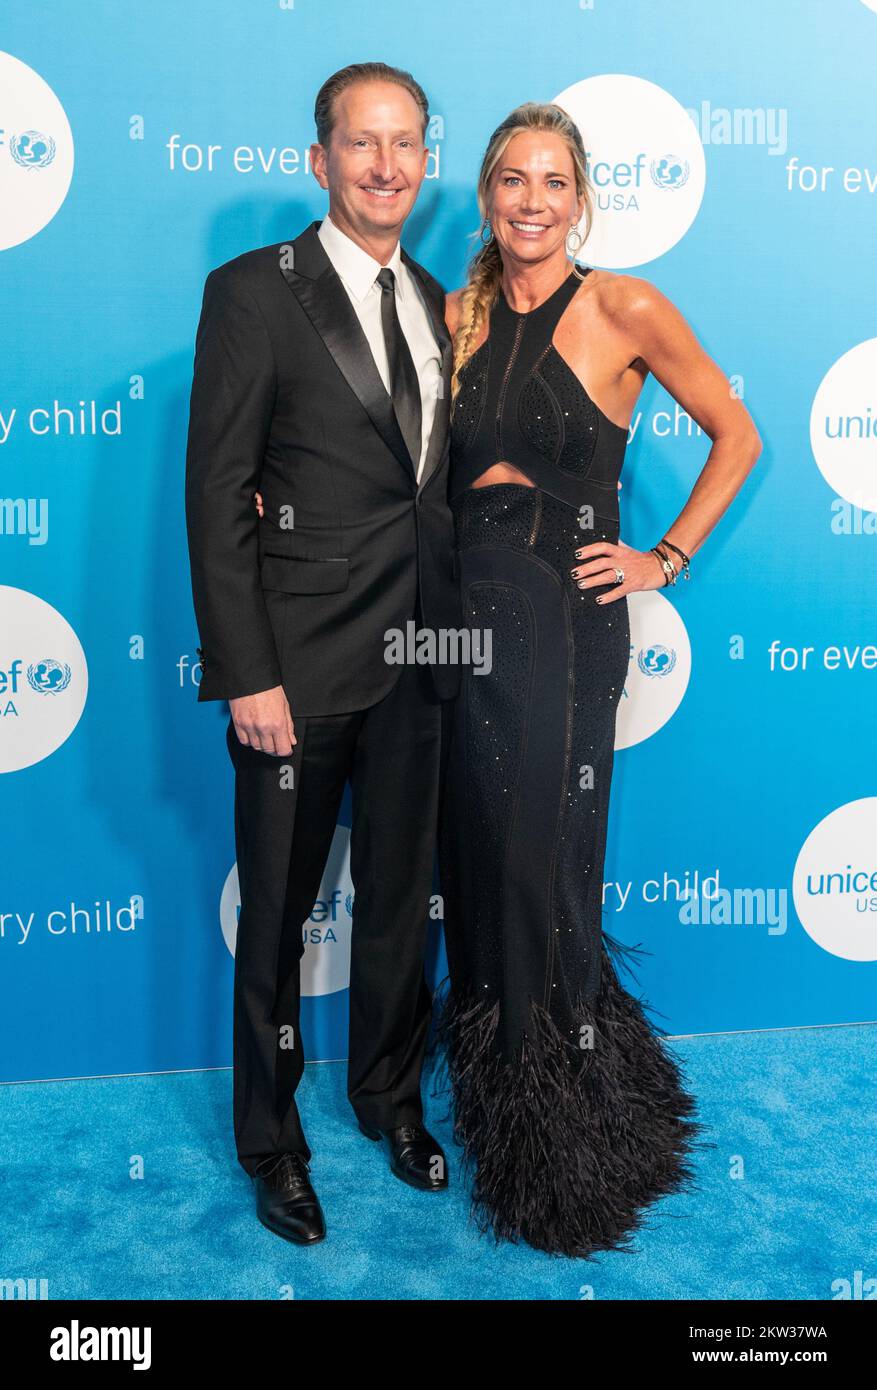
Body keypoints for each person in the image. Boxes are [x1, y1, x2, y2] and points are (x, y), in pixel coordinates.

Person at [436, 101, 762, 1258]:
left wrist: (660, 556)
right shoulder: (456, 314)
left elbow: (738, 434)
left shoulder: (624, 305)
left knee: (544, 861)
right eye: (511, 180)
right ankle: (500, 1093)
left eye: (553, 182)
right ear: (485, 196)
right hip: (462, 632)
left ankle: (562, 1129)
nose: (530, 201)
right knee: (478, 856)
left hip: (568, 627)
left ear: (582, 199)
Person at [185, 62, 462, 1246]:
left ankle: (390, 1100)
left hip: (421, 662)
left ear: (425, 161)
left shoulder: (442, 297)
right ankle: (272, 1143)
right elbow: (214, 494)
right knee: (278, 918)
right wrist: (248, 672)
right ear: (320, 159)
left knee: (402, 905)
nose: (386, 166)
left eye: (405, 144)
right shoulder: (255, 291)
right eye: (363, 144)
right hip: (293, 672)